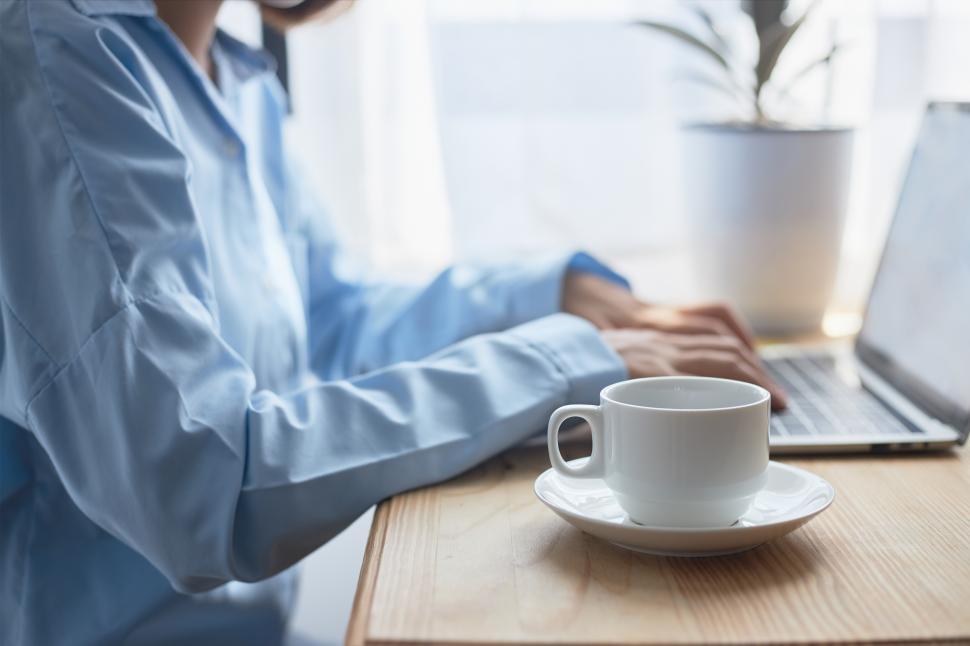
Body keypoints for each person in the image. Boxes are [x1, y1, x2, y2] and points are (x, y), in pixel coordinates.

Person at [0, 0, 786, 643]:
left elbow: (331, 325)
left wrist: (546, 293)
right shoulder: (51, 58)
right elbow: (205, 483)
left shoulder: (230, 73)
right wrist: (565, 365)